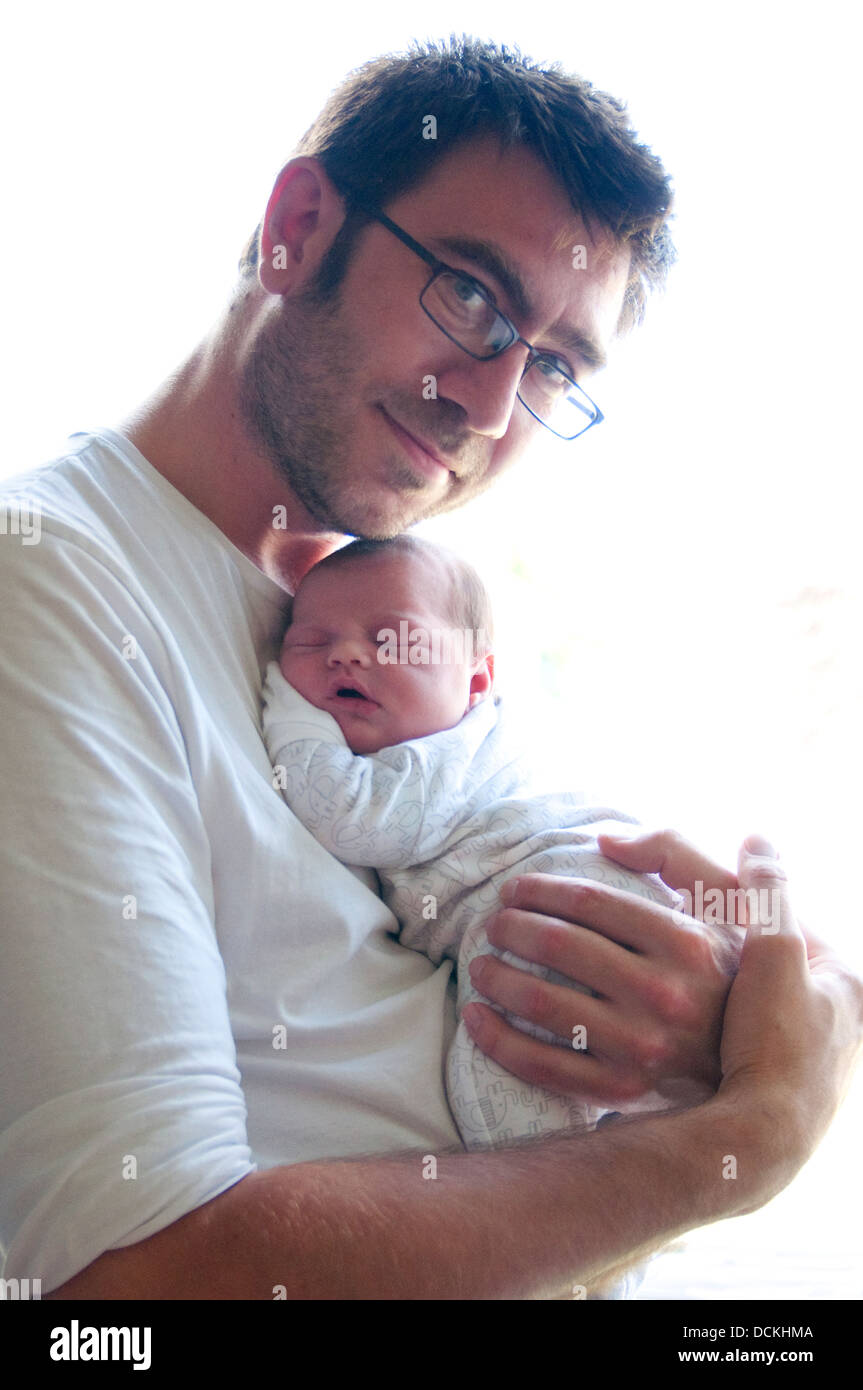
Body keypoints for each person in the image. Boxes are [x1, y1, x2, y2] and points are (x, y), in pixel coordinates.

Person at [0, 37, 859, 1301]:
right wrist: (746, 1135)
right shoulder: (52, 585)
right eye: (473, 297)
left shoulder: (407, 638)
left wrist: (679, 1022)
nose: (495, 404)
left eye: (555, 367)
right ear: (297, 227)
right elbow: (130, 1290)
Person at [262, 532, 714, 1164]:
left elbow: (351, 818)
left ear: (476, 679)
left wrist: (288, 709)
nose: (346, 656)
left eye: (395, 639)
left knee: (505, 1089)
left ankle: (558, 1228)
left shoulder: (445, 755)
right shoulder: (439, 743)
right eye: (309, 643)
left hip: (571, 903)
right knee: (580, 1106)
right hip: (582, 907)